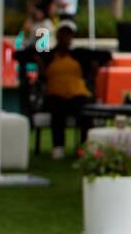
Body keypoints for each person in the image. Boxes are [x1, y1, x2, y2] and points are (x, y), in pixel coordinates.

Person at [41, 21, 95, 159]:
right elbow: (36, 51)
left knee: (86, 113)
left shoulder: (79, 55)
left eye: (69, 35)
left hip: (76, 95)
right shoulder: (48, 55)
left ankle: (85, 148)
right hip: (56, 95)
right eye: (63, 34)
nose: (66, 38)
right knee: (57, 111)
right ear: (58, 36)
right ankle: (58, 147)